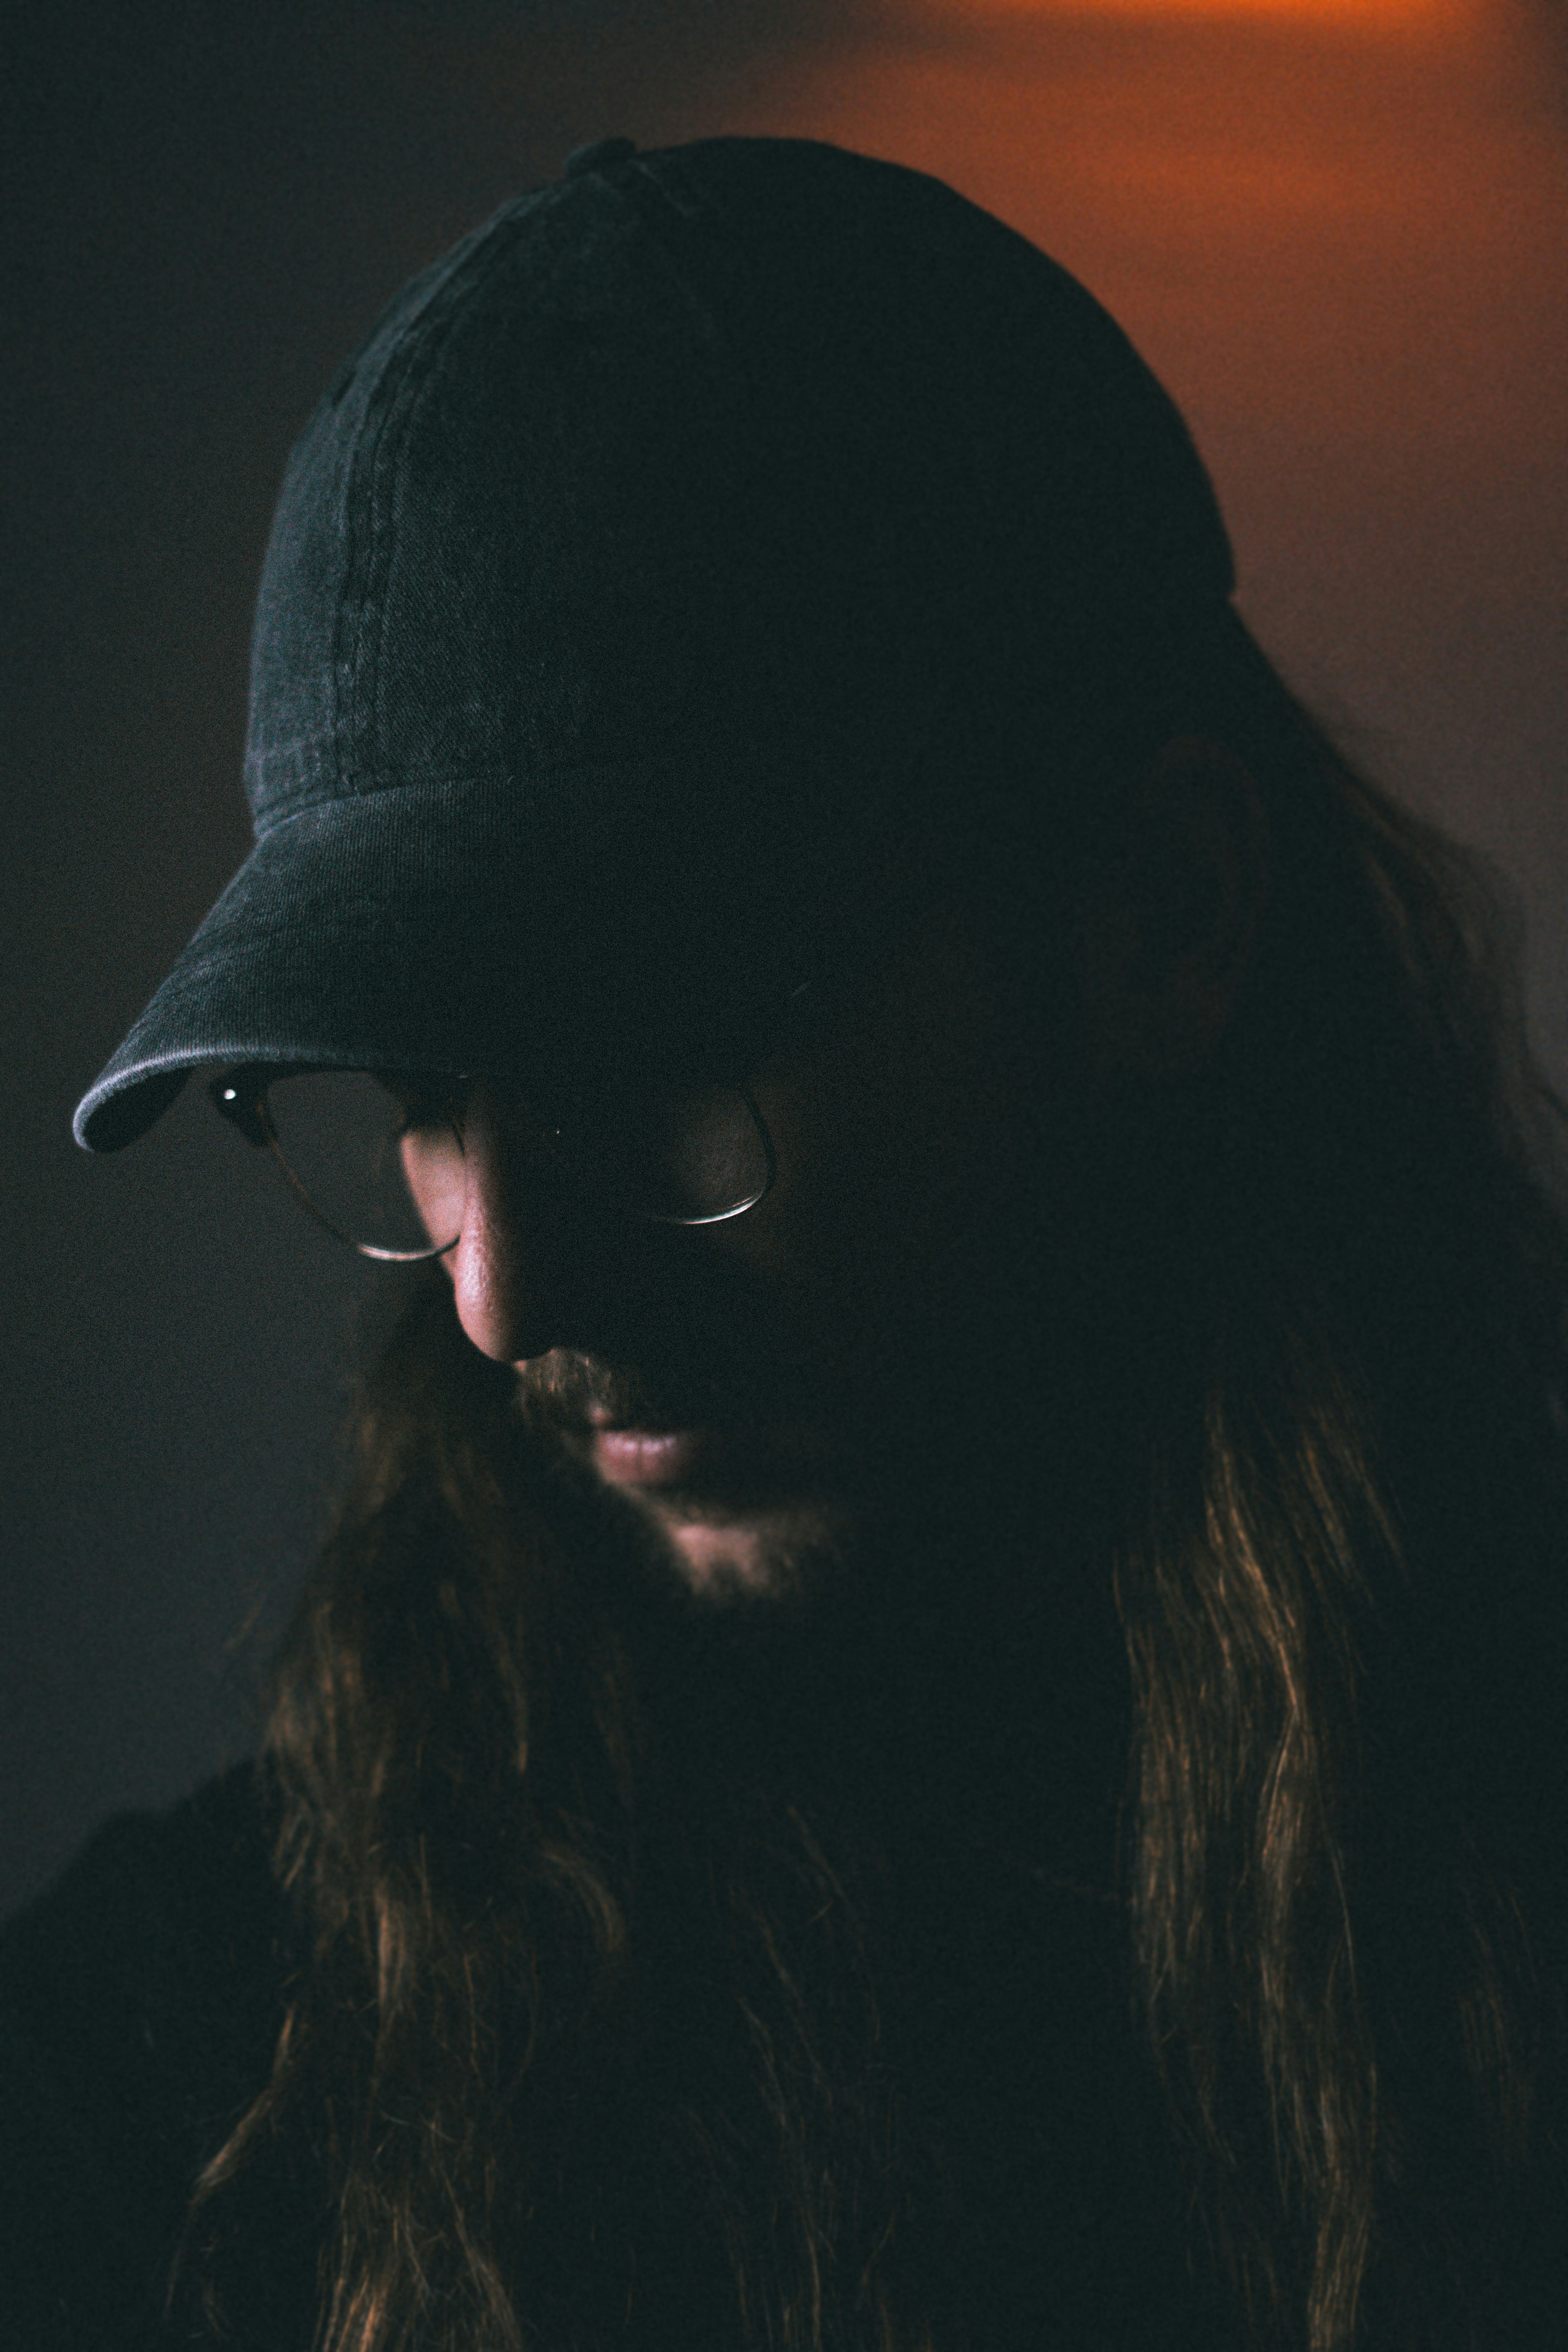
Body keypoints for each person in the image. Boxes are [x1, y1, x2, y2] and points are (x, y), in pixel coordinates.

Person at [3, 134, 1563, 2352]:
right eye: (416, 1102)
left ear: (1163, 918)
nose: (505, 1295)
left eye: (651, 1063)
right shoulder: (166, 2082)